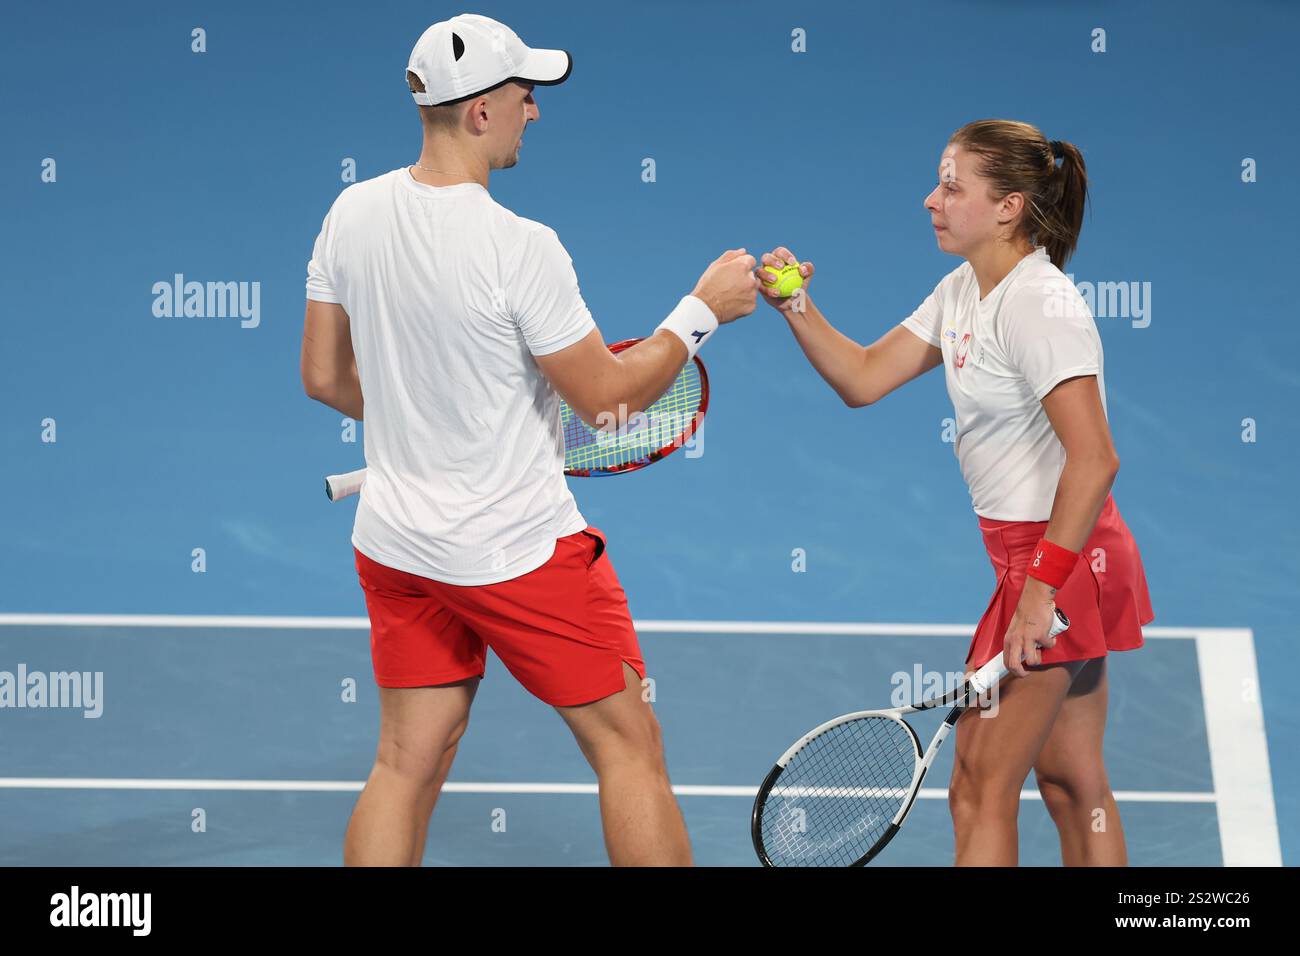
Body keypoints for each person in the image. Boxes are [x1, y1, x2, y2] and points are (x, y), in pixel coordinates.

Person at [300, 13, 757, 866]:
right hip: (518, 552)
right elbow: (608, 400)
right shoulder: (522, 248)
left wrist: (425, 424)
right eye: (524, 96)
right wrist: (701, 314)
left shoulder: (350, 212)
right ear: (479, 112)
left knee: (406, 761)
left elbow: (324, 378)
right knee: (628, 749)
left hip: (398, 543)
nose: (534, 112)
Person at [758, 119, 1154, 866]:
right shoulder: (964, 289)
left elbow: (1096, 458)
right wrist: (797, 307)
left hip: (1061, 562)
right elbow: (864, 377)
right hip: (1057, 561)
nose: (929, 200)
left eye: (951, 185)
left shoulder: (1039, 305)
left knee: (977, 787)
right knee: (1071, 782)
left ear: (1008, 207)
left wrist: (1040, 593)